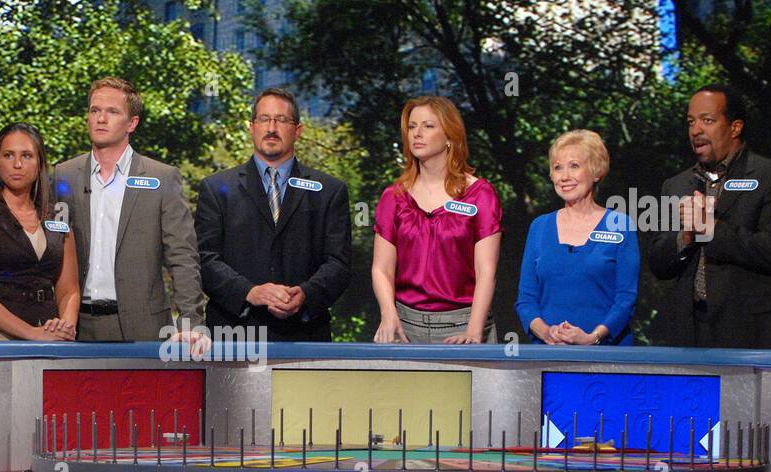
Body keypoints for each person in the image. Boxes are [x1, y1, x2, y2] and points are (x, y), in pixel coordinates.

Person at [645, 84, 771, 348]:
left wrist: (710, 228)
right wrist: (685, 236)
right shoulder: (675, 185)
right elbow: (658, 262)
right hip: (688, 334)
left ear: (735, 127)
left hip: (752, 332)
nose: (696, 130)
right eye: (691, 122)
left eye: (707, 120)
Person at [52, 77, 206, 349]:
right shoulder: (64, 175)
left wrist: (191, 322)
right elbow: (51, 252)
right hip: (75, 328)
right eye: (94, 110)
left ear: (132, 123)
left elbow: (182, 256)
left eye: (112, 112)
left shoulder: (161, 178)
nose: (101, 118)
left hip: (143, 329)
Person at [196, 88, 352, 341]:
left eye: (281, 120)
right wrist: (250, 292)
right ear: (251, 127)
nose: (271, 127)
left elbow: (339, 263)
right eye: (263, 119)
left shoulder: (330, 191)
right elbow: (204, 259)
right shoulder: (215, 188)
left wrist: (305, 294)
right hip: (233, 334)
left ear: (297, 130)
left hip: (305, 334)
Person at [372, 96, 503, 344]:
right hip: (404, 325)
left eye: (428, 126)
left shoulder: (480, 195)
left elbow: (486, 271)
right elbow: (382, 268)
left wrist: (473, 333)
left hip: (464, 324)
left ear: (450, 137)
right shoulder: (394, 196)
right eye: (412, 127)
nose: (417, 134)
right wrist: (388, 314)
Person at [0, 124, 79, 340]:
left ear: (40, 162)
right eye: (8, 155)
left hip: (46, 338)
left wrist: (65, 328)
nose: (17, 164)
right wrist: (31, 333)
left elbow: (69, 289)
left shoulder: (57, 215)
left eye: (27, 156)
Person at [516, 130, 640, 345]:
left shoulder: (620, 225)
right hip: (548, 355)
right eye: (557, 167)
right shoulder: (539, 227)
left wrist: (592, 338)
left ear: (596, 172)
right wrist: (546, 332)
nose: (564, 176)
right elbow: (525, 300)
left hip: (607, 355)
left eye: (574, 166)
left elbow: (626, 299)